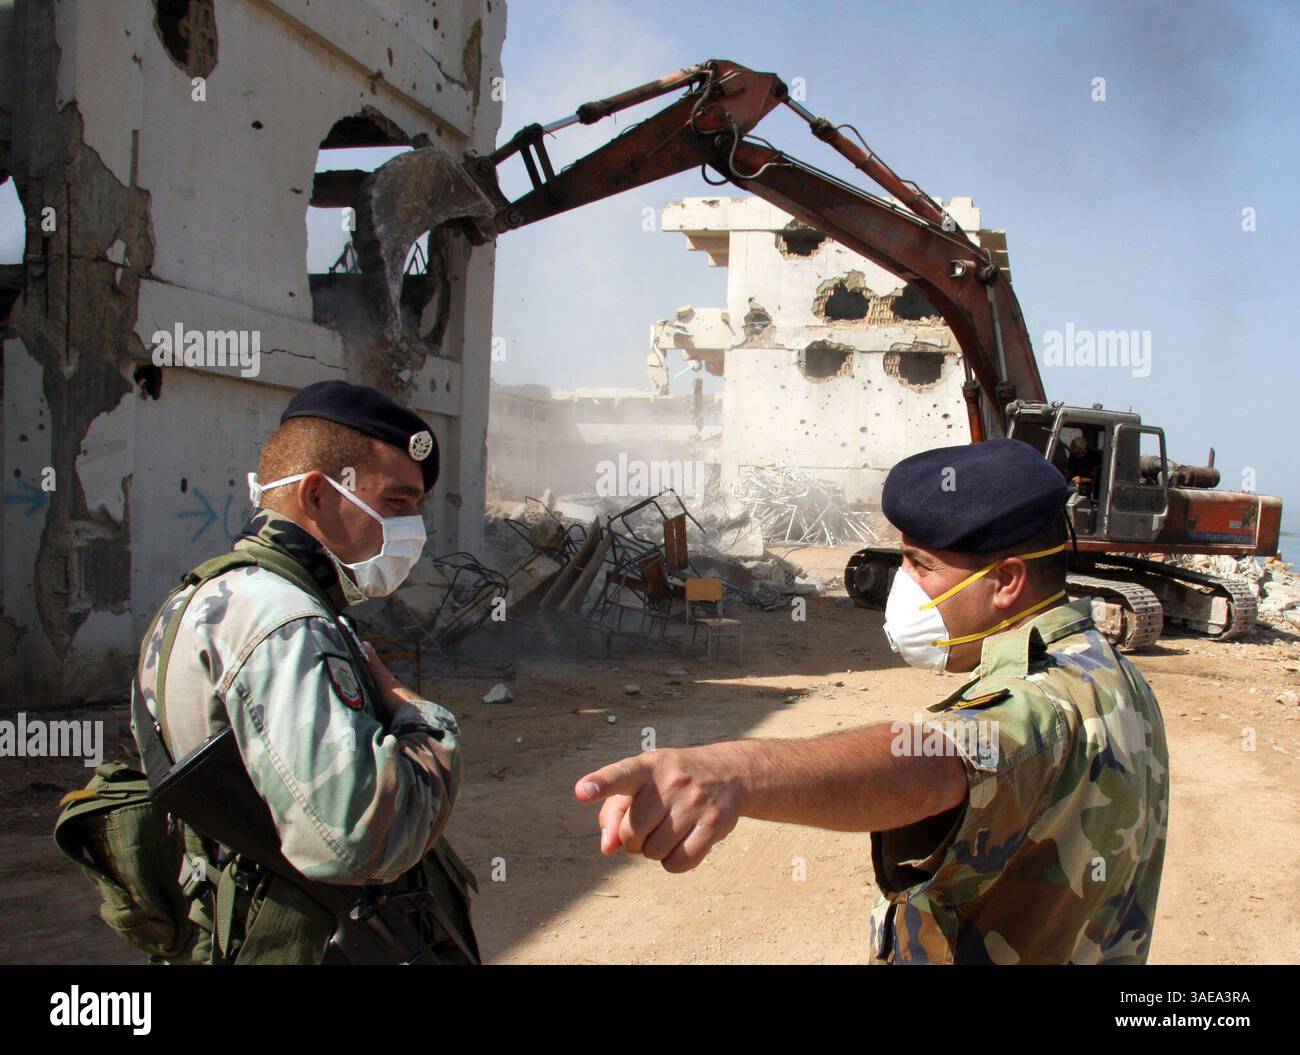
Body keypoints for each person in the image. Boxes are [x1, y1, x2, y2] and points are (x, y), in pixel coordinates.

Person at [574, 438, 1168, 964]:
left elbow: (934, 761)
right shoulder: (1110, 670)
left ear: (1007, 582)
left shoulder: (1039, 701)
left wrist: (732, 773)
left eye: (921, 565)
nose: (902, 584)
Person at [132, 379, 478, 964]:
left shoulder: (222, 592)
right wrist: (419, 718)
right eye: (396, 502)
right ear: (316, 495)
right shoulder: (284, 621)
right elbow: (363, 840)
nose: (411, 528)